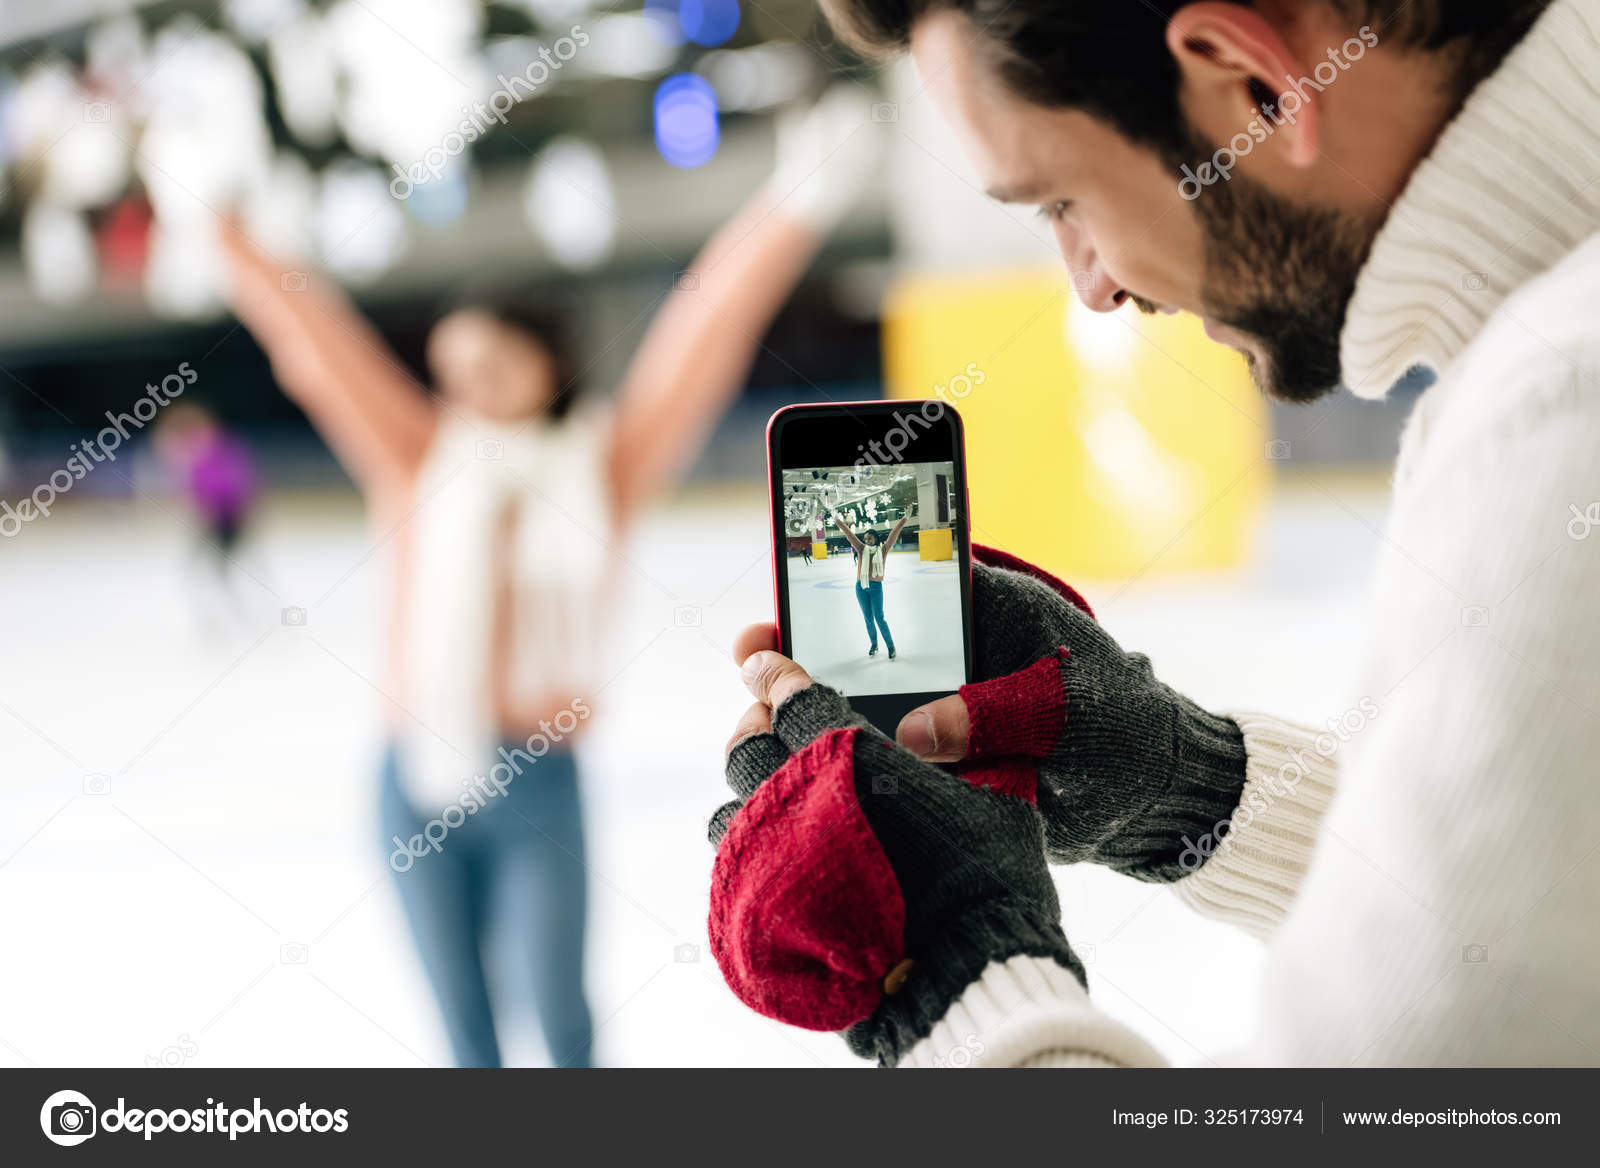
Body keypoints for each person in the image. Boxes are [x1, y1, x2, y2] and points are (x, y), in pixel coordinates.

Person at [705, 0, 1600, 1067]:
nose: (1092, 285)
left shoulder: (1560, 424)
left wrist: (956, 977)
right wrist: (1185, 790)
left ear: (1251, 86)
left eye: (1064, 199)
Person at [218, 88, 879, 1068]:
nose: (468, 389)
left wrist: (797, 197)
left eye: (491, 364)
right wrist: (219, 223)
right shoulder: (418, 457)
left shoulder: (603, 467)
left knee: (564, 1029)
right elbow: (312, 341)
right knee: (466, 1043)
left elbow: (707, 329)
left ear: (546, 362)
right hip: (412, 780)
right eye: (454, 369)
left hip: (539, 779)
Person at [830, 508, 910, 659]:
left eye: (869, 539)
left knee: (879, 618)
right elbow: (849, 534)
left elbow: (894, 533)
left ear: (876, 539)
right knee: (868, 619)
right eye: (865, 539)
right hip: (860, 587)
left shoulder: (884, 549)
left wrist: (904, 519)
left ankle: (891, 646)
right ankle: (874, 644)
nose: (866, 541)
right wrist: (837, 520)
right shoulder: (861, 549)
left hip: (875, 588)